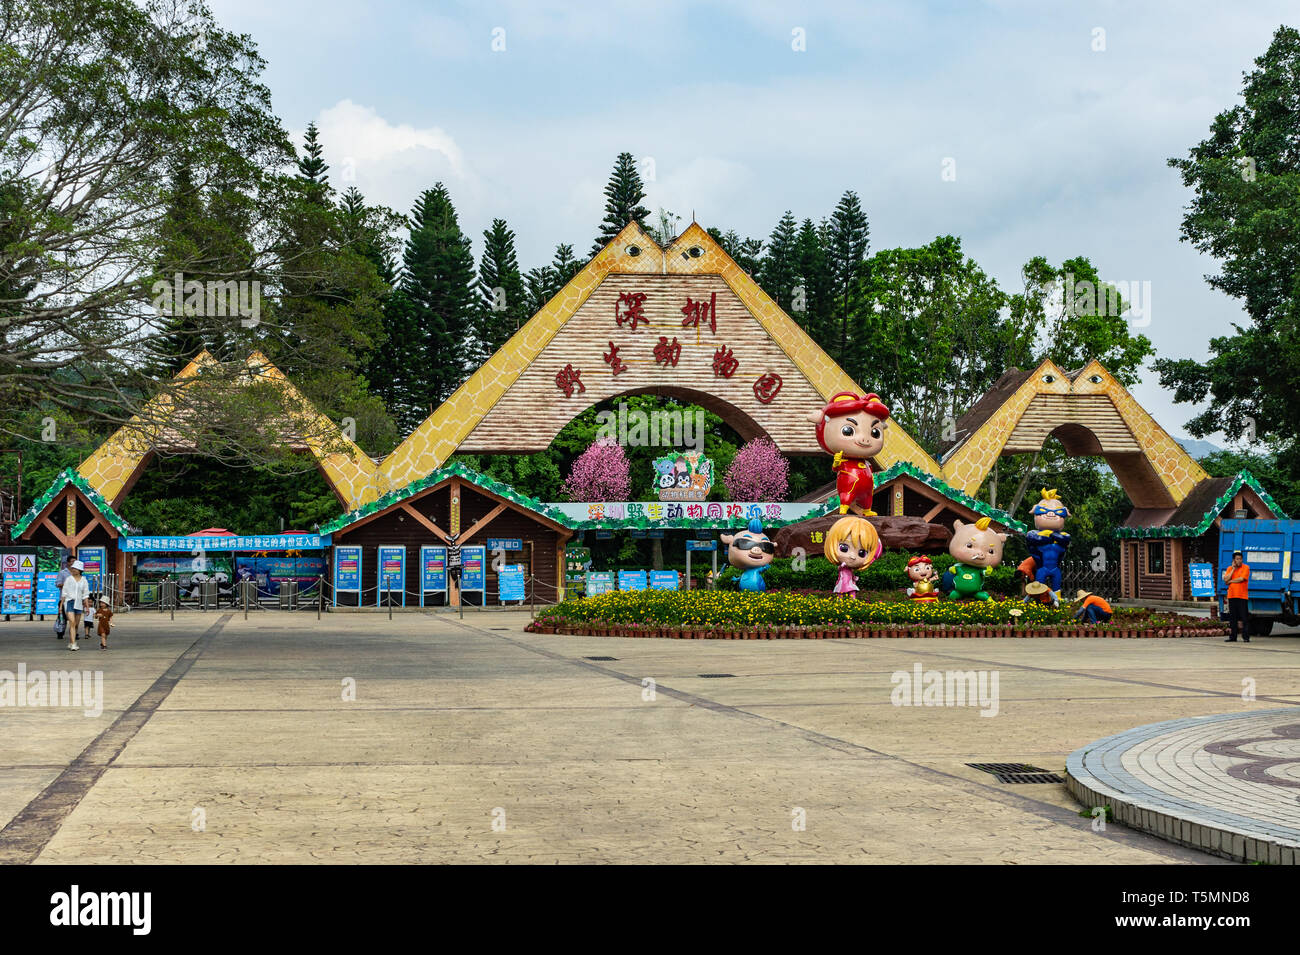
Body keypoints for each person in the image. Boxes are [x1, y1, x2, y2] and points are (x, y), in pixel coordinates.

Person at [1222, 550, 1251, 643]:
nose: (1239, 561)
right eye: (1237, 559)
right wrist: (1233, 569)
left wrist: (1230, 581)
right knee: (1232, 618)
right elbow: (1225, 579)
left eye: (1240, 559)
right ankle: (1233, 636)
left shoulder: (1246, 567)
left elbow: (1241, 579)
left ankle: (1246, 637)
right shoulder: (1230, 568)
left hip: (1242, 596)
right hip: (1232, 596)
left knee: (1244, 617)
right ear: (1234, 560)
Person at [60, 560, 89, 650]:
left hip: (79, 604)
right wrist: (61, 606)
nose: (73, 570)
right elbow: (64, 593)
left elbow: (85, 595)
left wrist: (87, 607)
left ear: (80, 570)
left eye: (75, 568)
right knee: (72, 623)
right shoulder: (68, 579)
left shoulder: (84, 580)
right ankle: (73, 644)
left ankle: (71, 641)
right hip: (69, 602)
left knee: (75, 625)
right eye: (73, 568)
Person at [53, 555, 71, 640]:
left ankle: (74, 633)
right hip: (63, 599)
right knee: (62, 617)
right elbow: (57, 584)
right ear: (68, 562)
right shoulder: (62, 573)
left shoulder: (77, 573)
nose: (74, 563)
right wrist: (67, 585)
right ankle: (60, 632)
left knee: (73, 617)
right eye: (72, 561)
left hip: (74, 599)